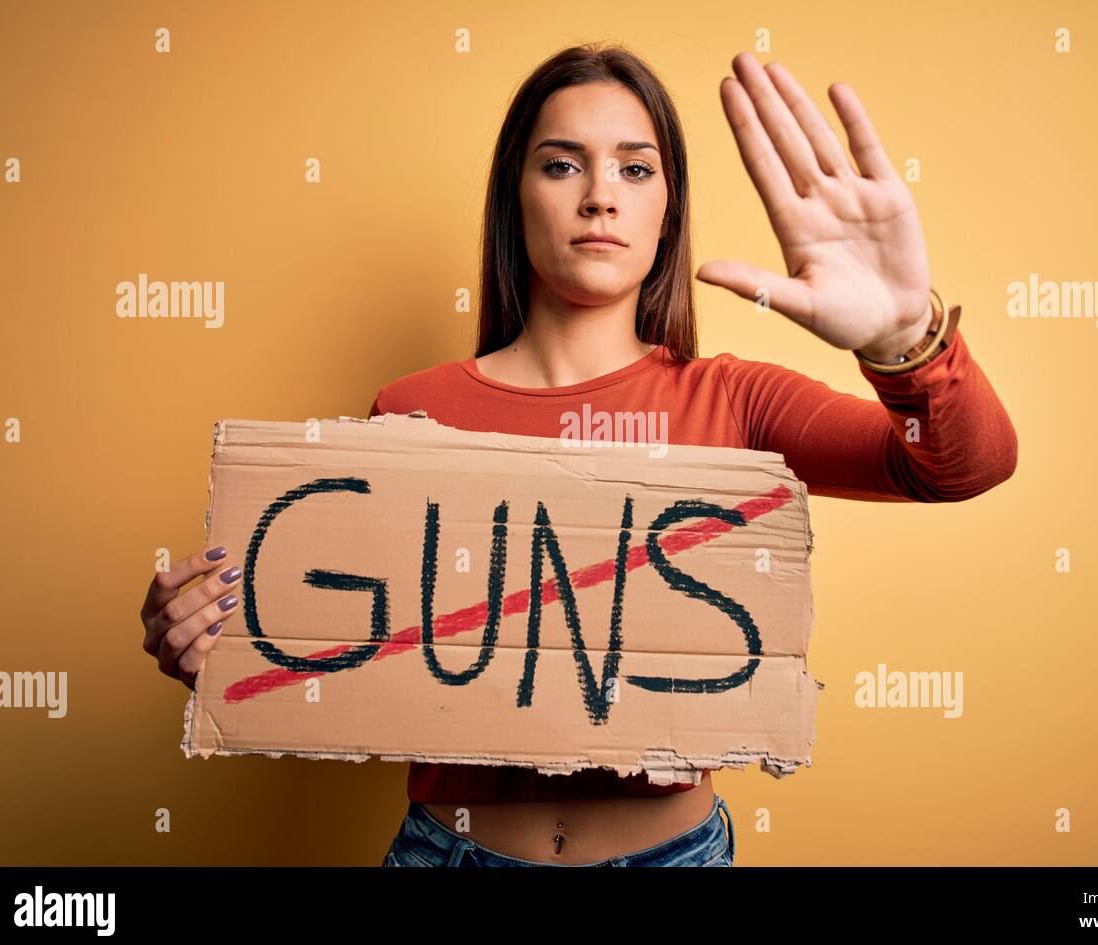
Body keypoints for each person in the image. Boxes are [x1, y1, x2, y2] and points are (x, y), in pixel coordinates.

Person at [140, 43, 1017, 867]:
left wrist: (909, 338)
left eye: (636, 169)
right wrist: (226, 642)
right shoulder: (413, 411)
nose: (601, 195)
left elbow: (956, 466)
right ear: (514, 195)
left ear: (666, 208)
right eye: (562, 164)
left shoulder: (735, 400)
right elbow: (357, 653)